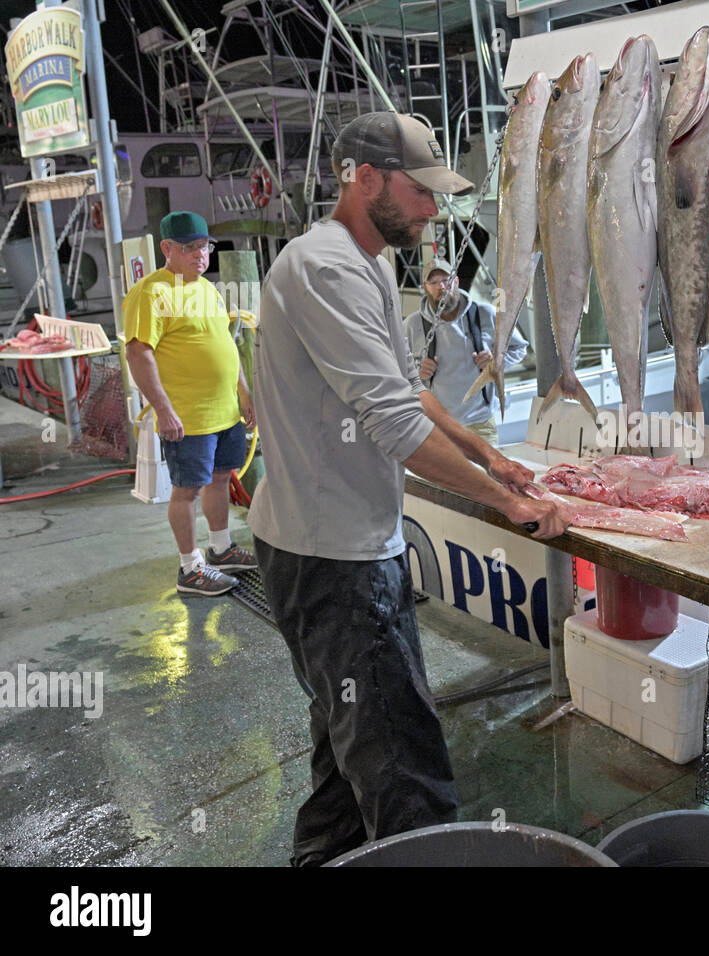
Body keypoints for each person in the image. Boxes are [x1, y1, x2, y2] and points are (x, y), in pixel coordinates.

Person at [248, 111, 567, 867]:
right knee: (404, 770)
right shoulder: (324, 266)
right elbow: (392, 421)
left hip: (333, 544)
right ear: (364, 179)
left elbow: (408, 390)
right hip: (335, 561)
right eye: (419, 191)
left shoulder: (364, 265)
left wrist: (493, 460)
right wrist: (513, 508)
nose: (433, 209)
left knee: (345, 746)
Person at [122, 211, 257, 596]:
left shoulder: (208, 289)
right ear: (167, 248)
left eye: (205, 246)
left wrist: (243, 392)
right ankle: (189, 568)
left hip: (224, 411)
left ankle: (220, 549)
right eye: (190, 247)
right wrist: (164, 410)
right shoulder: (151, 293)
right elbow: (138, 354)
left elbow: (225, 346)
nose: (201, 254)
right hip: (188, 417)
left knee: (219, 479)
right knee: (186, 491)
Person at [403, 258, 527, 444]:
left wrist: (496, 362)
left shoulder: (486, 313)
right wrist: (416, 372)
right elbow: (392, 367)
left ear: (457, 281)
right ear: (425, 288)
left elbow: (519, 348)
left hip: (480, 424)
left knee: (488, 474)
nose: (441, 287)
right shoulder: (412, 325)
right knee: (443, 474)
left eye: (447, 280)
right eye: (434, 282)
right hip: (436, 426)